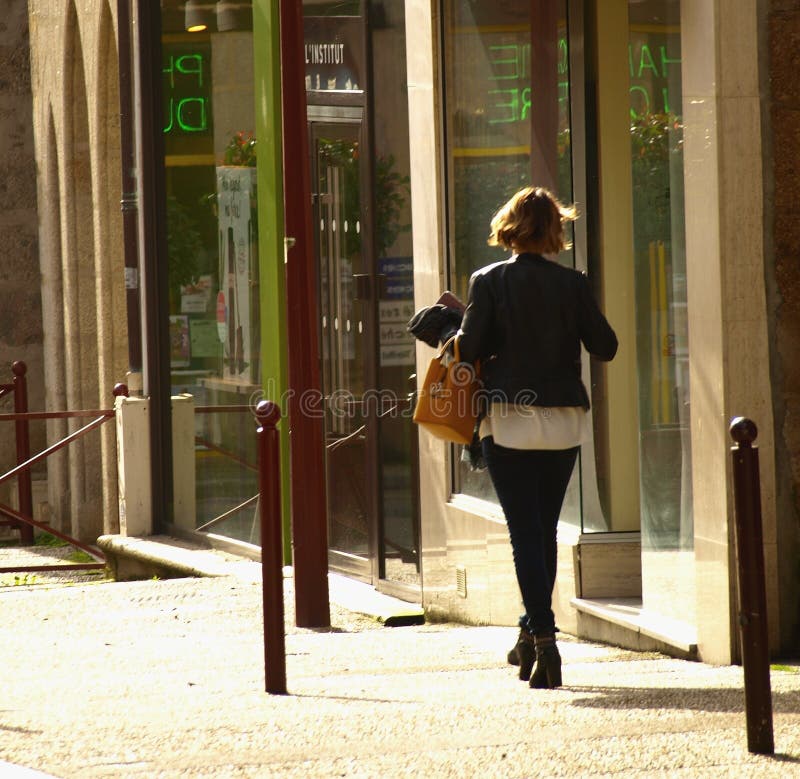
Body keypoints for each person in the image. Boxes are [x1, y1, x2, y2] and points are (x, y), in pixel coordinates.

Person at [457, 186, 618, 689]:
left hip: (508, 418)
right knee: (543, 529)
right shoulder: (573, 284)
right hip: (564, 419)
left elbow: (468, 353)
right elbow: (606, 346)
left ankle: (545, 639)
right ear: (555, 230)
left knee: (524, 532)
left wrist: (453, 329)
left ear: (508, 227)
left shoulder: (488, 281)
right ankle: (530, 633)